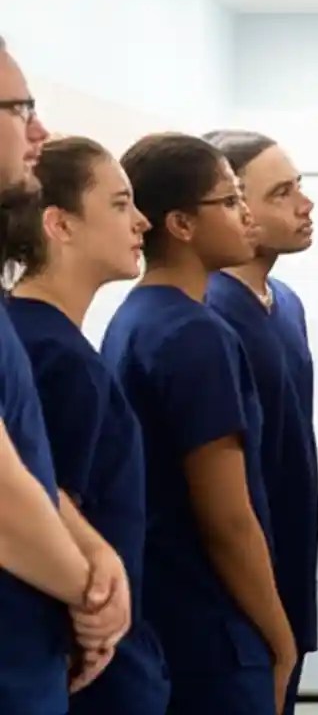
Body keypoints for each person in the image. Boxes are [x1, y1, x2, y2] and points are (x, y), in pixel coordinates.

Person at [102, 132, 296, 715]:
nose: (246, 216)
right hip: (214, 628)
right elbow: (227, 519)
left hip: (169, 613)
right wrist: (281, 640)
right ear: (182, 224)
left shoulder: (136, 317)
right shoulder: (195, 333)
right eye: (231, 201)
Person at [4, 135, 172, 714]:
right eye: (121, 204)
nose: (142, 221)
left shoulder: (37, 336)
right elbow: (41, 506)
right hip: (85, 659)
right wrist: (97, 593)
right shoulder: (57, 358)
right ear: (60, 225)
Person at [0, 38, 131, 715]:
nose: (39, 133)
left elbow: (24, 470)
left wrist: (92, 550)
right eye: (20, 109)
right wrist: (94, 597)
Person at [203, 129, 318, 715]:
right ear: (234, 205)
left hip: (287, 564)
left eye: (299, 186)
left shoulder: (286, 304)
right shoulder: (209, 314)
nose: (305, 204)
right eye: (282, 193)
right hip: (232, 591)